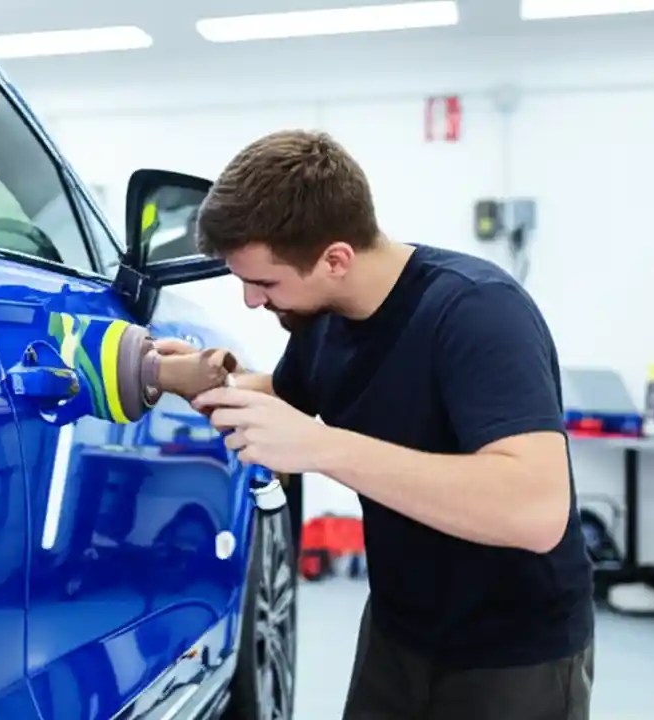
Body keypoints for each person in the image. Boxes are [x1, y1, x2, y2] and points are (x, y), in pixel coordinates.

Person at [160, 129, 595, 719]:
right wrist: (194, 379)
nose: (251, 303)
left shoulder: (477, 313)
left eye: (265, 283)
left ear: (336, 258)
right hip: (398, 631)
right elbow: (284, 406)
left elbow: (535, 511)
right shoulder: (325, 319)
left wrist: (323, 447)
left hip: (512, 654)